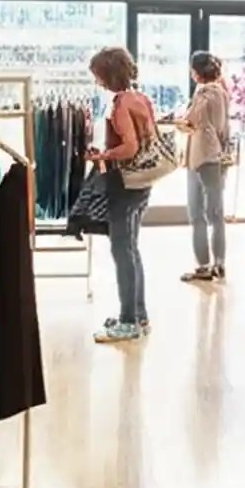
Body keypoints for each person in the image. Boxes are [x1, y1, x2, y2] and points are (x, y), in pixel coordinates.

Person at [86, 47, 158, 344]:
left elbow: (129, 147)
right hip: (141, 183)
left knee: (122, 250)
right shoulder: (141, 98)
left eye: (99, 76)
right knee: (131, 249)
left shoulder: (121, 104)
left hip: (125, 184)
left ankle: (129, 321)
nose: (98, 82)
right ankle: (137, 315)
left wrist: (103, 154)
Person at [175, 51, 231, 282]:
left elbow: (191, 121)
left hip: (200, 157)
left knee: (197, 213)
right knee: (216, 213)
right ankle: (219, 263)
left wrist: (178, 120)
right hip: (214, 155)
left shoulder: (205, 93)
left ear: (197, 72)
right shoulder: (222, 92)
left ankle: (203, 266)